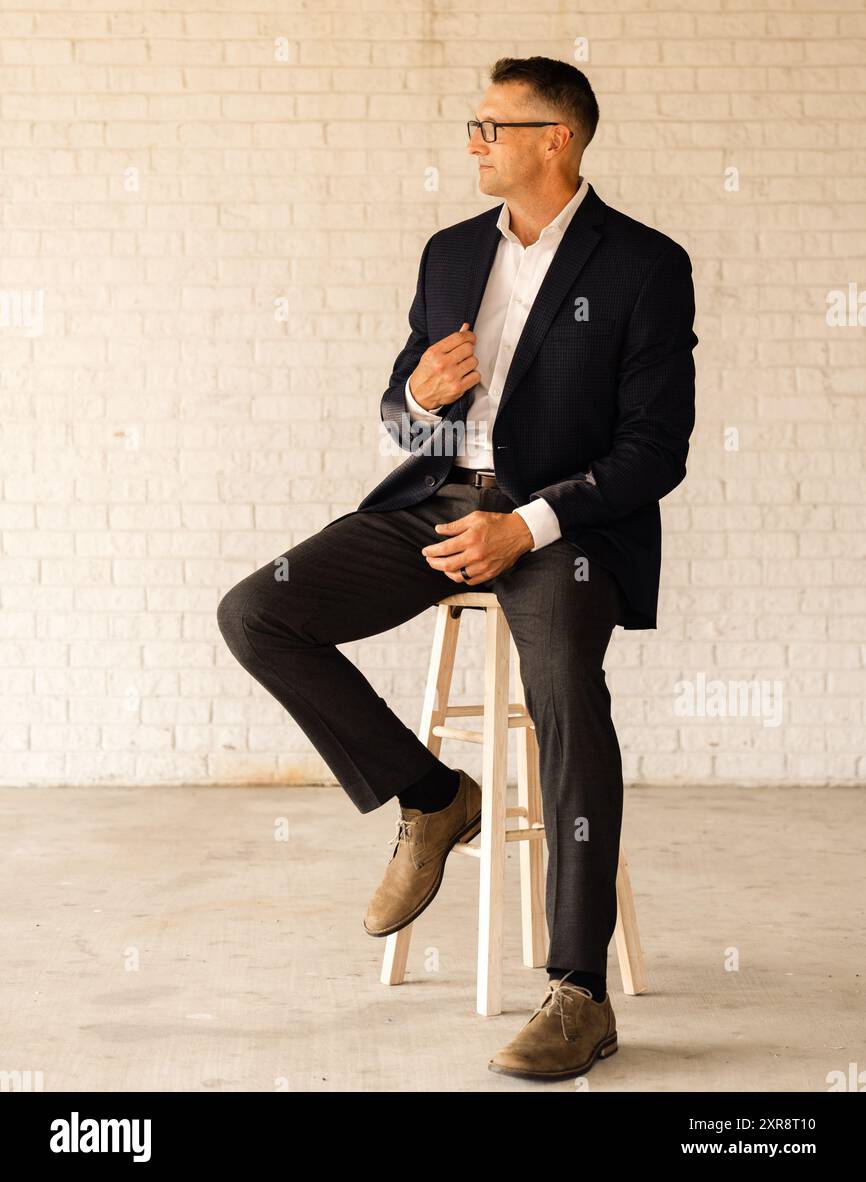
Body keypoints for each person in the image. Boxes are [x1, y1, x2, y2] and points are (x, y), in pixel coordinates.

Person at [217, 55, 698, 1082]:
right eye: (472, 124)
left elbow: (654, 451)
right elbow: (402, 409)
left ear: (553, 138)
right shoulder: (447, 255)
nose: (472, 141)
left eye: (491, 124)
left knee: (564, 689)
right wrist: (419, 404)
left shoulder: (642, 267)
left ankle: (577, 990)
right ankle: (431, 796)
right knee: (258, 612)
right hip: (435, 505)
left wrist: (526, 526)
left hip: (562, 531)